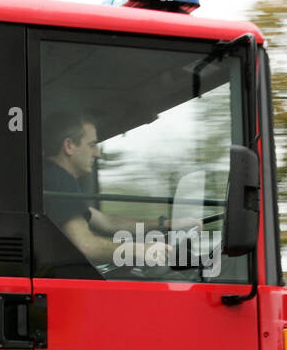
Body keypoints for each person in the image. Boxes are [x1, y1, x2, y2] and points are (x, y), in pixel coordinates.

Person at [42, 111, 192, 270]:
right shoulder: (58, 179)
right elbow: (86, 246)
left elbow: (106, 222)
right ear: (69, 146)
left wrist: (167, 223)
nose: (97, 154)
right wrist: (141, 249)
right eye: (92, 145)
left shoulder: (51, 178)